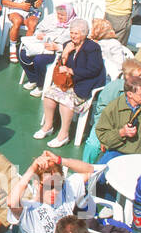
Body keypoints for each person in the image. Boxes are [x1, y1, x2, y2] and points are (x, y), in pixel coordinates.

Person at [33, 18, 105, 149]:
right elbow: (62, 65)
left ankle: (63, 134)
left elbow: (94, 70)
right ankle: (48, 126)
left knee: (66, 102)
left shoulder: (93, 48)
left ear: (84, 34)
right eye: (71, 33)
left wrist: (72, 71)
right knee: (49, 95)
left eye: (76, 33)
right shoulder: (69, 44)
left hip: (85, 85)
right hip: (69, 83)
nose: (73, 36)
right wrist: (65, 52)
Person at [6, 149, 97, 233]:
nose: (55, 191)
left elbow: (89, 170)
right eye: (49, 186)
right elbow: (11, 202)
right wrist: (32, 168)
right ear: (36, 183)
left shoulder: (65, 190)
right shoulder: (29, 210)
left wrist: (60, 160)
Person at [94, 76, 141, 164]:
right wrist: (121, 133)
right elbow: (103, 135)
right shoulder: (113, 108)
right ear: (130, 94)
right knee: (99, 172)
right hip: (119, 151)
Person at [18, 2, 76, 94]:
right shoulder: (51, 18)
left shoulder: (75, 25)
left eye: (63, 15)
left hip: (56, 51)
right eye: (58, 14)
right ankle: (33, 79)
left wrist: (57, 47)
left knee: (39, 60)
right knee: (23, 54)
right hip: (41, 44)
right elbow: (39, 29)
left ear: (69, 14)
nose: (59, 17)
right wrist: (39, 35)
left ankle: (41, 85)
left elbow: (74, 44)